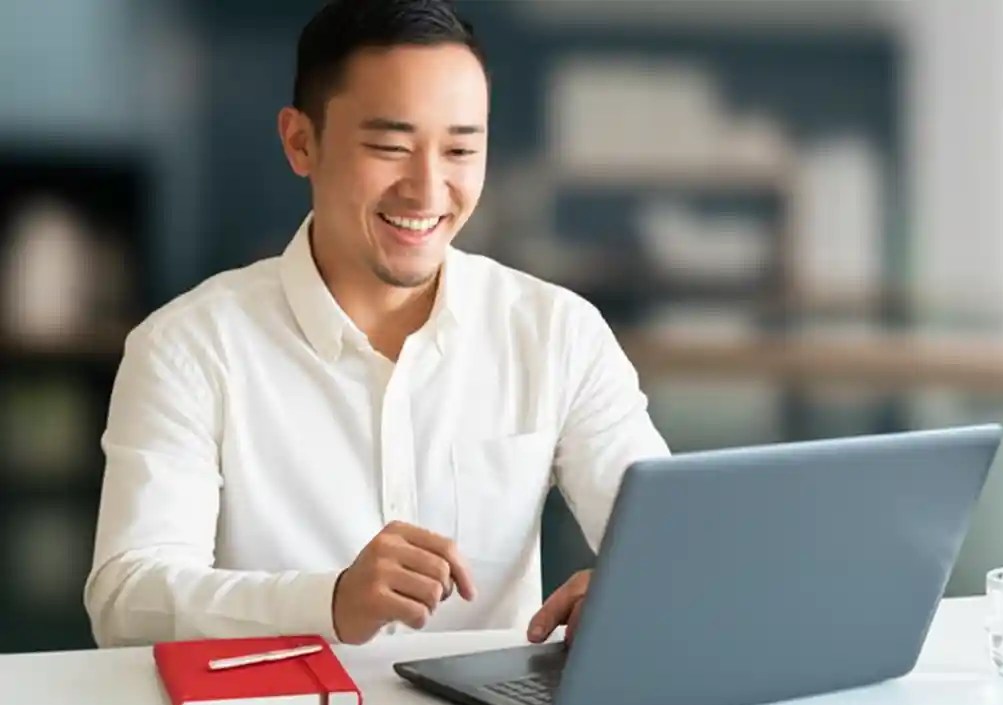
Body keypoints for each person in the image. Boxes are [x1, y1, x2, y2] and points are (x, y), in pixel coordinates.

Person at [83, 0, 669, 648]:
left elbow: (673, 541)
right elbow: (127, 600)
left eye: (459, 149)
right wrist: (328, 602)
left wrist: (632, 589)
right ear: (301, 142)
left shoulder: (557, 333)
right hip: (283, 700)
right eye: (390, 147)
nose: (427, 189)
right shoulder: (187, 349)